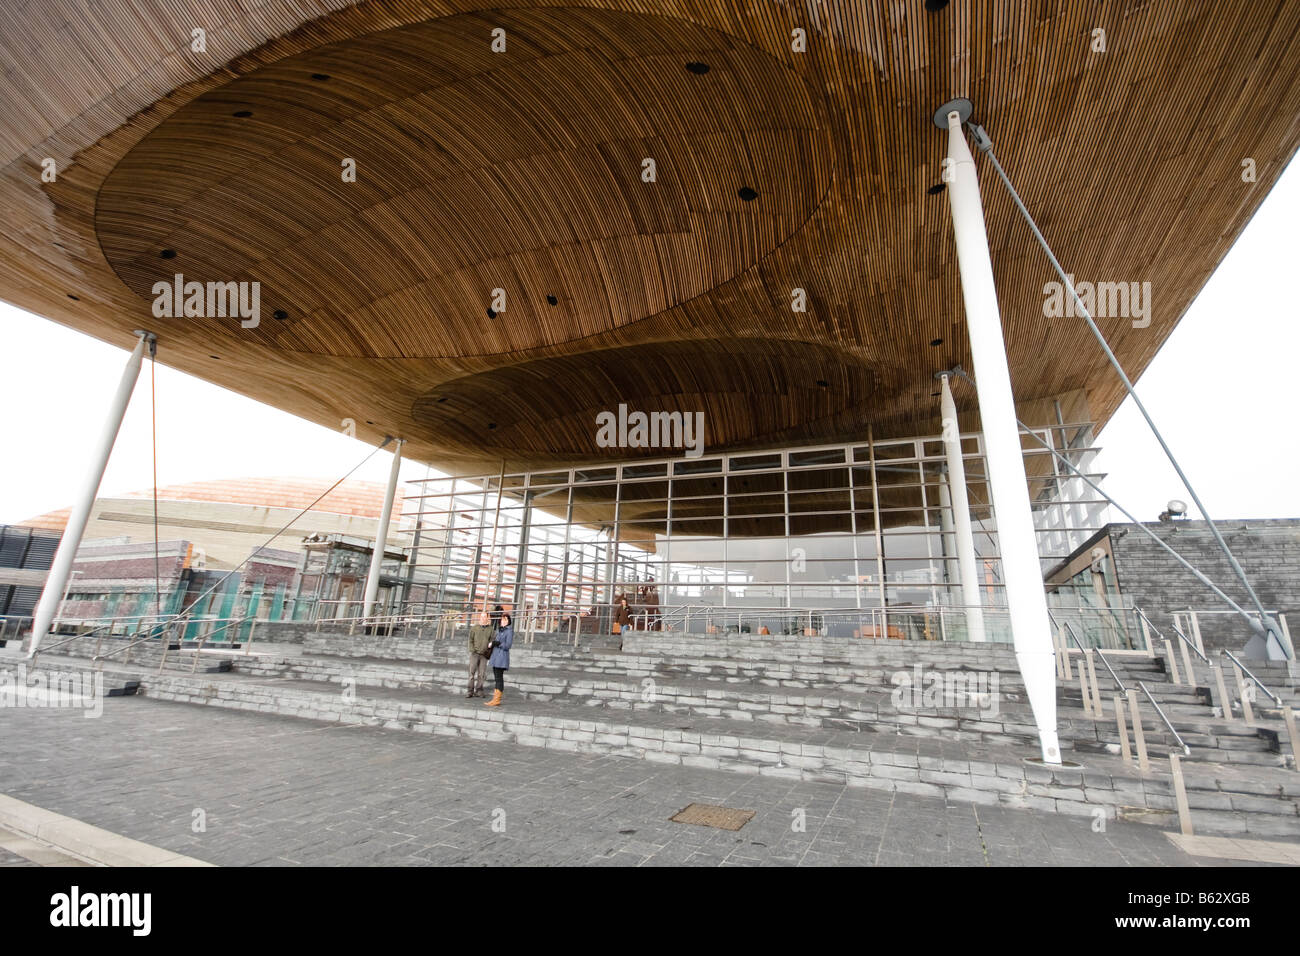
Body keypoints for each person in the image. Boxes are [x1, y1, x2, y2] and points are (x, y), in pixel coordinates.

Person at [484, 612, 514, 707]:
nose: (503, 621)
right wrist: (493, 643)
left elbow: (508, 645)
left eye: (505, 620)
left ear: (508, 621)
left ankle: (497, 699)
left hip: (501, 658)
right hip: (496, 657)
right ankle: (495, 699)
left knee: (499, 679)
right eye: (502, 619)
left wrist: (497, 643)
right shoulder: (500, 630)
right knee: (497, 678)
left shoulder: (509, 631)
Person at [466, 612, 492, 699]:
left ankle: (479, 691)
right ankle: (470, 691)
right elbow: (470, 640)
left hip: (484, 655)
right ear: (479, 618)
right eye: (481, 616)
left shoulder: (491, 629)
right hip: (475, 654)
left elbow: (492, 640)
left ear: (487, 618)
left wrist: (489, 648)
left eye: (485, 617)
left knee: (482, 674)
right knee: (471, 673)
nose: (483, 618)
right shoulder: (474, 628)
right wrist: (472, 650)